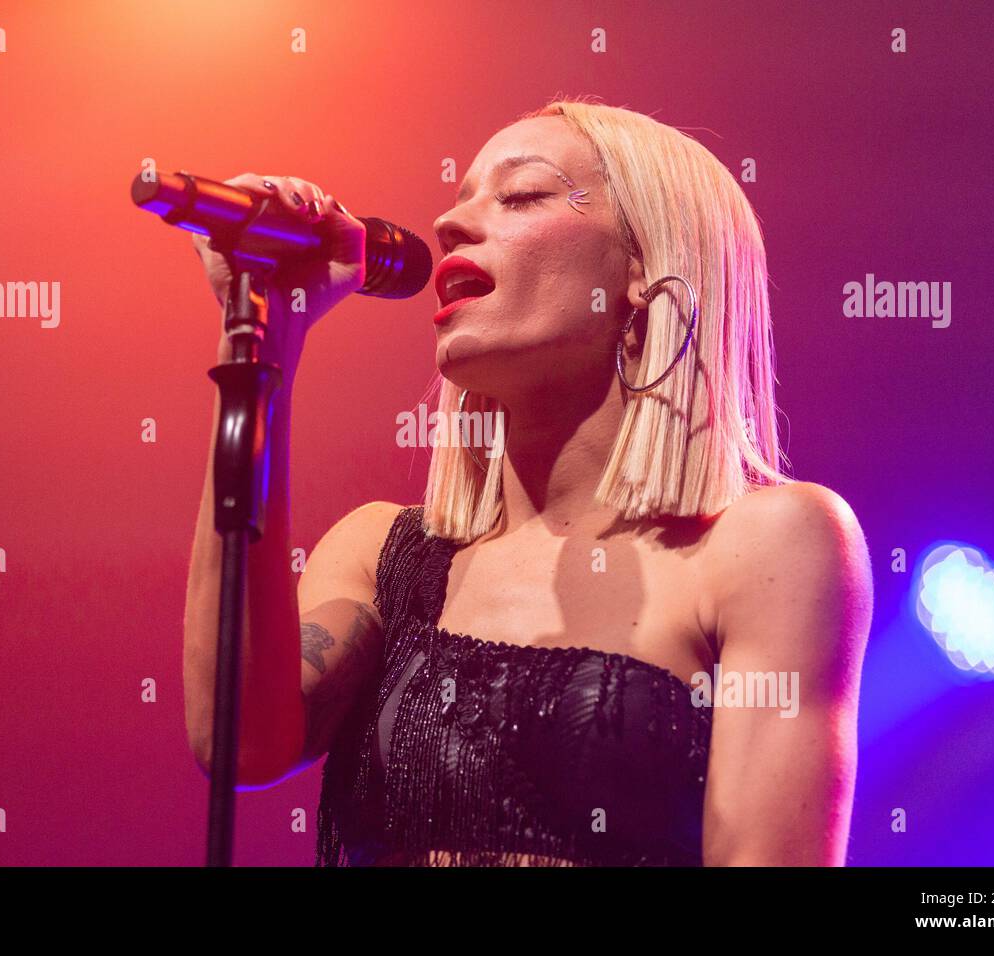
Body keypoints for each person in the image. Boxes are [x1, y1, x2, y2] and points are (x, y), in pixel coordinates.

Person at [183, 96, 873, 866]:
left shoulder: (766, 545)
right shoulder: (385, 554)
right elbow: (235, 739)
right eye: (461, 197)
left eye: (520, 195)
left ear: (644, 267)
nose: (449, 225)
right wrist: (266, 333)